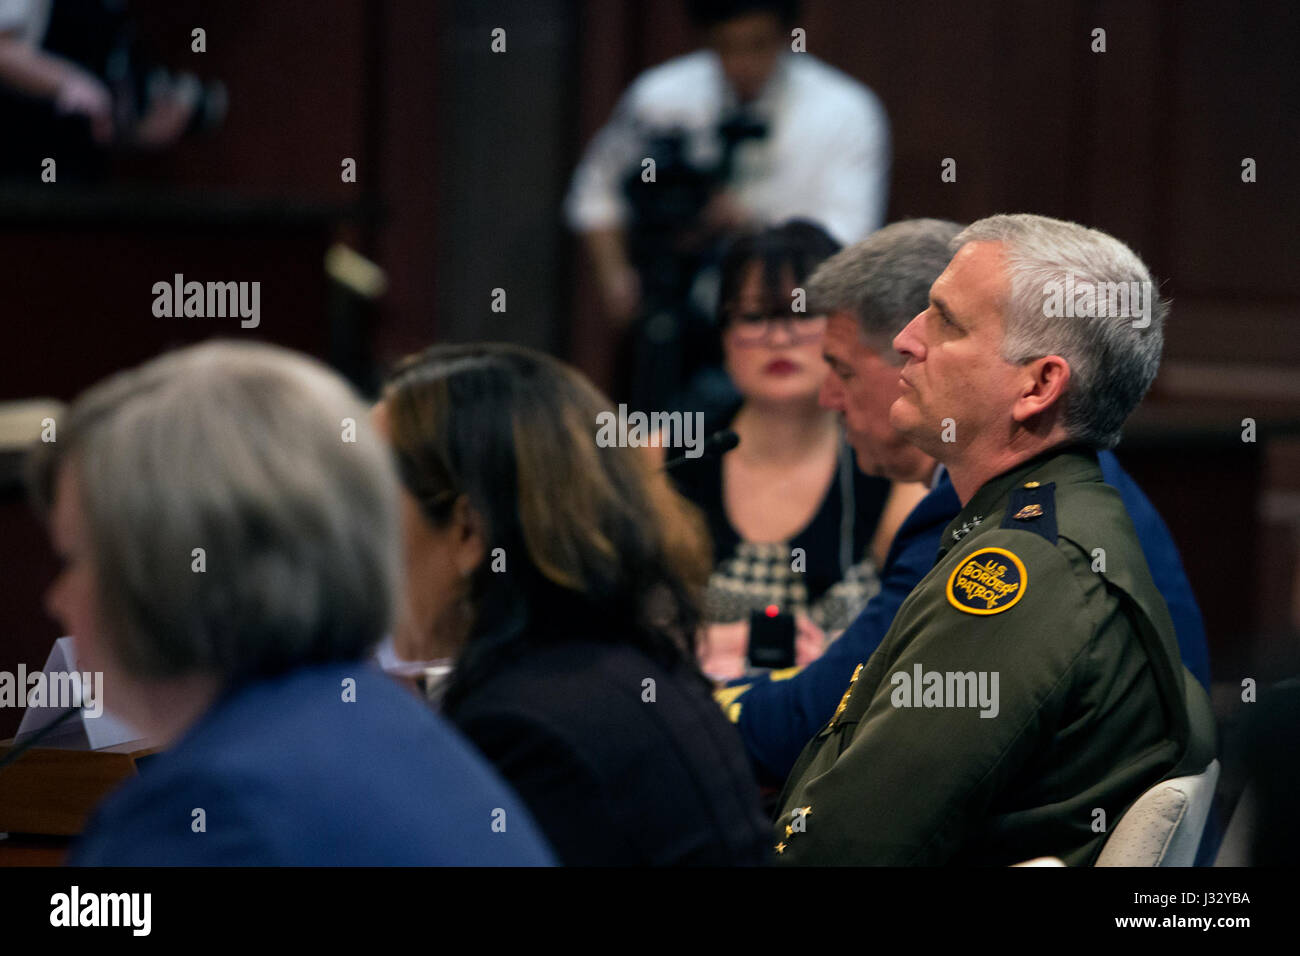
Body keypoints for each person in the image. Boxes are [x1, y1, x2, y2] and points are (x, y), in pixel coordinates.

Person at [771, 214, 1217, 865]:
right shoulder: (1047, 519)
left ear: (1039, 386)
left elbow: (843, 848)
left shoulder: (1019, 570)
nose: (905, 339)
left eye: (946, 322)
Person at [30, 341, 554, 865]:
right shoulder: (405, 734)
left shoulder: (206, 811)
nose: (58, 598)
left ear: (162, 571)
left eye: (78, 559)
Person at [376, 342, 770, 866]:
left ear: (469, 531)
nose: (350, 531)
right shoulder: (609, 663)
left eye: (369, 496)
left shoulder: (527, 730)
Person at [566, 0, 889, 409]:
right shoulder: (660, 96)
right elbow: (597, 194)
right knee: (652, 438)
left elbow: (850, 237)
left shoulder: (843, 111)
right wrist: (618, 280)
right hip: (664, 311)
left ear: (786, 35)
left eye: (757, 44)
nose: (741, 62)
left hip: (782, 322)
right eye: (725, 47)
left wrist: (749, 222)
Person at [667, 220, 923, 677]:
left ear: (847, 329)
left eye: (802, 314)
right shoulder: (664, 456)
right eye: (753, 316)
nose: (778, 338)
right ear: (722, 333)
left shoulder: (896, 467)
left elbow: (920, 648)